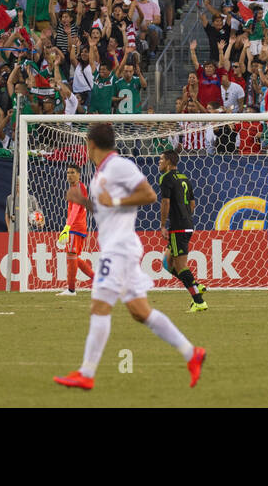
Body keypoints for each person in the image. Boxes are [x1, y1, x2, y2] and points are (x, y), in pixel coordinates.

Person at [54, 123, 206, 391]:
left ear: (90, 144)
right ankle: (190, 353)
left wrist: (114, 203)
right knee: (140, 312)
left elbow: (147, 194)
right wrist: (85, 202)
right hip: (119, 246)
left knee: (99, 307)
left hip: (119, 249)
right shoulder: (101, 173)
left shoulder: (118, 166)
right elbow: (106, 209)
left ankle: (86, 373)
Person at [158, 149, 206, 311]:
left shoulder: (166, 178)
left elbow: (165, 202)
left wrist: (163, 224)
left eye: (161, 159)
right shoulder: (185, 178)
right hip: (187, 224)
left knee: (180, 266)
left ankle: (198, 301)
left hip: (178, 227)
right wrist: (185, 216)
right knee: (167, 262)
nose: (159, 162)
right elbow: (192, 204)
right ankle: (195, 285)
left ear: (169, 162)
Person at [58, 164, 94, 295]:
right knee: (73, 257)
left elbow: (77, 208)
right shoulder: (75, 188)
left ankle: (71, 289)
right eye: (68, 172)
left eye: (72, 172)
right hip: (77, 226)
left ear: (79, 174)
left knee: (71, 256)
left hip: (76, 226)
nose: (69, 175)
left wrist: (68, 226)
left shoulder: (78, 187)